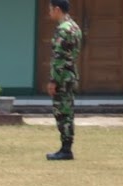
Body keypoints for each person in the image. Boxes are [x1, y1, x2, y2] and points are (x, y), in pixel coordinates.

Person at [46, 0, 82, 160]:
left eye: (50, 9)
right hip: (71, 75)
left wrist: (53, 80)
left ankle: (66, 149)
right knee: (68, 112)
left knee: (62, 113)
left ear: (57, 9)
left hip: (62, 77)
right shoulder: (75, 27)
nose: (49, 12)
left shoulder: (63, 30)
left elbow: (59, 58)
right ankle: (66, 147)